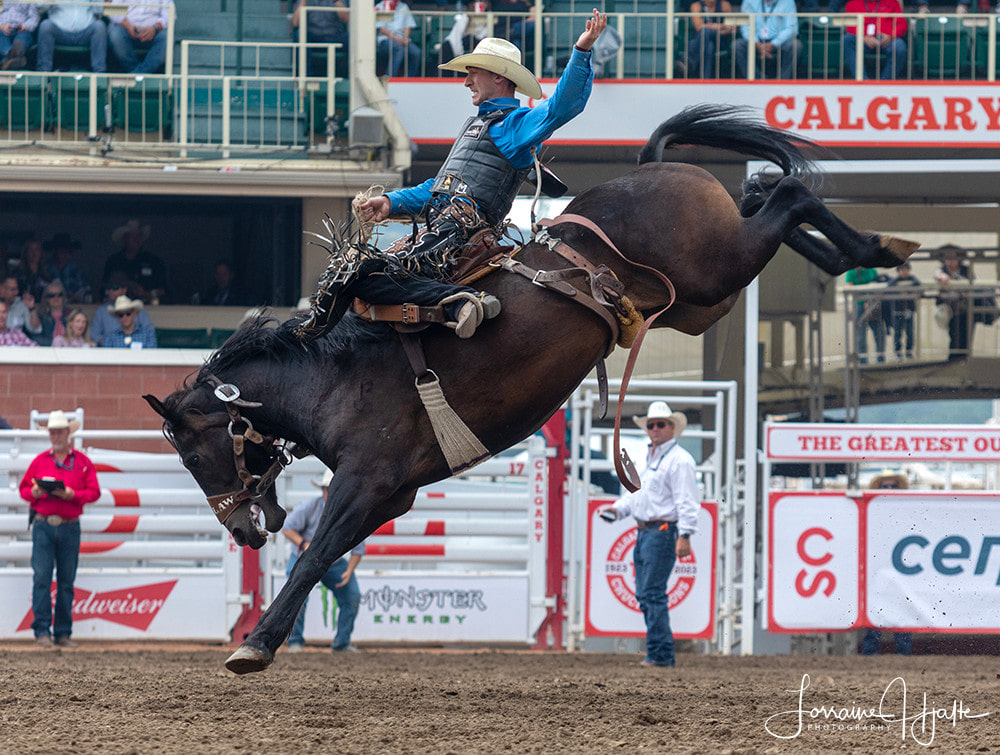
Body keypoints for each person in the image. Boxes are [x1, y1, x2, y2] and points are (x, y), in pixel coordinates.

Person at [303, 11, 606, 342]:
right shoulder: (478, 126)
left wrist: (581, 51)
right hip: (442, 228)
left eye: (473, 73)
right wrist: (392, 202)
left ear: (499, 78)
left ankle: (456, 304)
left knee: (356, 271)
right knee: (354, 271)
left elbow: (561, 108)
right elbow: (441, 188)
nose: (466, 81)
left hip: (457, 235)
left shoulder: (514, 126)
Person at [597, 401, 700, 668]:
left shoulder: (679, 461)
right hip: (648, 532)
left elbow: (687, 501)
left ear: (671, 428)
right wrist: (617, 510)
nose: (655, 429)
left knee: (650, 593)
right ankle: (660, 651)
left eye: (660, 424)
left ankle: (660, 653)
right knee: (647, 593)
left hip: (661, 531)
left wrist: (685, 534)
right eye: (652, 425)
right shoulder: (653, 458)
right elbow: (637, 497)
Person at [18, 409, 101, 648]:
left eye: (59, 432)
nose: (56, 436)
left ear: (68, 433)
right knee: (42, 578)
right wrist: (34, 493)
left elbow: (94, 492)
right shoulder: (40, 461)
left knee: (65, 581)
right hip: (44, 524)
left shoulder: (83, 462)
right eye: (52, 432)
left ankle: (62, 632)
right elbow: (24, 489)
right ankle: (43, 631)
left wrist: (72, 495)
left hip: (67, 526)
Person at [283, 469, 364, 653]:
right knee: (297, 598)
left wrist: (349, 571)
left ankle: (341, 643)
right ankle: (295, 640)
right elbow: (288, 528)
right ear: (324, 490)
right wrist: (303, 543)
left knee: (352, 596)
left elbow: (358, 548)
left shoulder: (350, 513)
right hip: (305, 558)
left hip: (332, 563)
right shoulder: (309, 507)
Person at [861, 471, 912, 656]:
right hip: (879, 565)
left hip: (900, 566)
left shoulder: (906, 511)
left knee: (902, 608)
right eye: (885, 486)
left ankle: (903, 652)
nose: (889, 490)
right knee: (876, 607)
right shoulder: (873, 509)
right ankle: (870, 652)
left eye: (893, 486)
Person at [103, 219, 168, 304]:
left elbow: (164, 290)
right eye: (132, 236)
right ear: (124, 239)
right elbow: (105, 287)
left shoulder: (154, 261)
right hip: (119, 310)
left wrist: (148, 294)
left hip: (148, 308)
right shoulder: (114, 261)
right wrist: (128, 285)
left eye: (139, 236)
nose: (136, 239)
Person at [733, 0, 801, 79]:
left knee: (795, 45)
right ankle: (757, 79)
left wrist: (773, 43)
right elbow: (745, 26)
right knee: (737, 45)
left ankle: (782, 80)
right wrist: (756, 43)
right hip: (755, 40)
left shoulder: (787, 2)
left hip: (779, 41)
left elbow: (792, 28)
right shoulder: (749, 1)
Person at [842, 0, 907, 81]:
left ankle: (885, 82)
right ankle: (862, 81)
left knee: (899, 46)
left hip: (887, 40)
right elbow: (850, 26)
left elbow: (902, 24)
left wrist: (890, 35)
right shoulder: (852, 4)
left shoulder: (892, 2)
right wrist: (863, 36)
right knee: (847, 39)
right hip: (863, 40)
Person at [35, 1, 108, 73]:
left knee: (99, 26)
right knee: (46, 25)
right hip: (60, 32)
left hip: (85, 33)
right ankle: (43, 72)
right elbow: (41, 7)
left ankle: (100, 73)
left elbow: (99, 11)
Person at [107, 0, 173, 74]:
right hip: (126, 29)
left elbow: (170, 14)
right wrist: (128, 26)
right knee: (115, 34)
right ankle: (139, 73)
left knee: (167, 38)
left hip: (154, 32)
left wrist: (155, 28)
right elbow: (113, 9)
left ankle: (137, 74)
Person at [90, 272, 154, 346]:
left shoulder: (139, 311)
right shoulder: (101, 311)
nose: (111, 291)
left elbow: (149, 332)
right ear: (116, 316)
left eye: (115, 288)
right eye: (120, 315)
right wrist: (110, 343)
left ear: (124, 290)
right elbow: (94, 334)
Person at [935, 244, 973, 361]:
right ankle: (953, 360)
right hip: (951, 311)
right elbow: (938, 275)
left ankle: (963, 360)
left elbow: (973, 283)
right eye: (947, 258)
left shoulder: (966, 270)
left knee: (965, 338)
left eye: (952, 257)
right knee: (954, 336)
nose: (949, 261)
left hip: (966, 310)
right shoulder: (941, 270)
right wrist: (941, 276)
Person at [292, 0, 349, 76]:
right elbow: (295, 22)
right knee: (300, 34)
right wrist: (303, 2)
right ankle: (305, 77)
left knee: (351, 38)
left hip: (335, 36)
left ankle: (349, 76)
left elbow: (346, 18)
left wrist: (336, 1)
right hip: (314, 38)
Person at [684, 0, 736, 78]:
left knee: (706, 31)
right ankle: (705, 80)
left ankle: (690, 61)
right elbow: (698, 27)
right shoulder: (696, 6)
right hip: (698, 42)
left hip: (719, 41)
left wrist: (711, 27)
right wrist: (721, 26)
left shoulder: (724, 5)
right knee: (709, 46)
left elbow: (731, 27)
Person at [845, 266, 886, 365]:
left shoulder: (872, 270)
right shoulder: (851, 272)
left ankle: (880, 359)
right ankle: (863, 361)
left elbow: (878, 283)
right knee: (861, 335)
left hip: (873, 304)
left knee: (879, 332)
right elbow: (848, 287)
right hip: (859, 305)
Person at [375, 0, 422, 77]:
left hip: (402, 39)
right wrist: (397, 39)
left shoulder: (404, 7)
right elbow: (381, 29)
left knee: (416, 52)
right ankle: (389, 78)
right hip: (385, 39)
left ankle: (410, 79)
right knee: (398, 49)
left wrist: (405, 38)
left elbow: (408, 26)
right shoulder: (380, 7)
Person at [43, 232, 90, 304]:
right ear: (54, 252)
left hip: (73, 309)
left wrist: (76, 297)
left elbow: (86, 293)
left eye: (68, 251)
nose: (65, 254)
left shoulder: (77, 270)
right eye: (61, 251)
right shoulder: (45, 269)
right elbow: (41, 294)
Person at [886, 261, 920, 360]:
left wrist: (907, 289)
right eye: (902, 270)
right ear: (898, 271)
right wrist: (899, 291)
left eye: (906, 270)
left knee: (910, 333)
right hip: (897, 311)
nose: (904, 272)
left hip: (909, 311)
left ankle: (909, 352)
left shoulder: (912, 279)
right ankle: (898, 353)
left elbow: (917, 283)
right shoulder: (895, 281)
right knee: (897, 333)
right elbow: (889, 287)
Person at [28, 280, 70, 347]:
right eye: (52, 295)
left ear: (63, 297)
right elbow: (35, 337)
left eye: (59, 295)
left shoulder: (71, 315)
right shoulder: (41, 315)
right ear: (46, 298)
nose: (56, 298)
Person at [0, 2, 39, 71]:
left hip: (21, 29)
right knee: (1, 37)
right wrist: (1, 26)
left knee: (23, 38)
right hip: (2, 29)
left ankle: (8, 59)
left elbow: (34, 17)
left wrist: (25, 26)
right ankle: (11, 54)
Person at [0, 274, 40, 339]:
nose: (16, 292)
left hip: (17, 343)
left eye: (17, 289)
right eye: (12, 289)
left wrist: (31, 308)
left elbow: (36, 330)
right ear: (1, 289)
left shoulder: (22, 305)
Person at [14, 238, 51, 302]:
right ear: (25, 252)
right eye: (30, 249)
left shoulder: (48, 273)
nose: (34, 253)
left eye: (37, 249)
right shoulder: (18, 273)